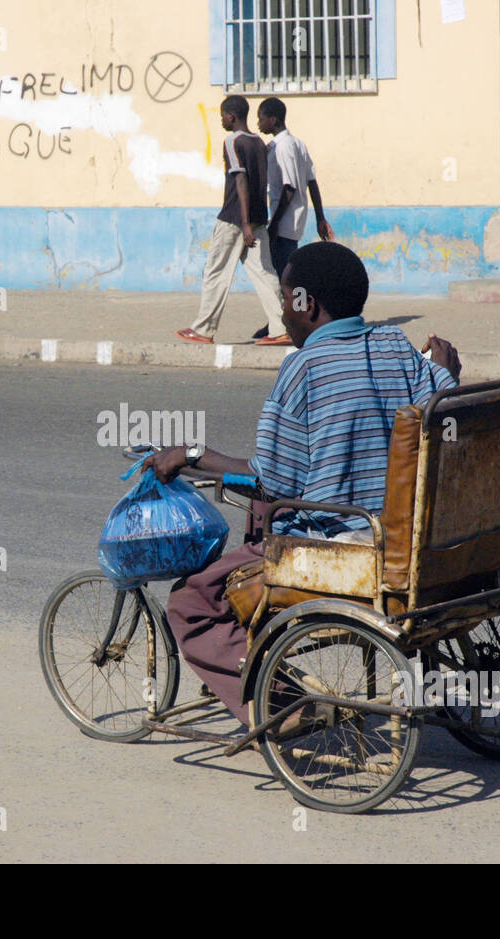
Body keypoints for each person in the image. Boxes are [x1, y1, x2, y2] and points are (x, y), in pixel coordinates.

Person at [148, 241, 461, 726]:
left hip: (340, 545)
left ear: (306, 304)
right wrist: (444, 370)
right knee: (261, 523)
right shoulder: (396, 346)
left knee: (192, 600)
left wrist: (193, 455)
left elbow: (270, 480)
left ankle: (281, 704)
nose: (281, 310)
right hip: (410, 538)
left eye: (285, 297)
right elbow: (440, 406)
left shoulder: (303, 369)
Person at [175, 95, 290, 347]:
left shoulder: (233, 141)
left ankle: (204, 329)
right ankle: (281, 327)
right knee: (264, 273)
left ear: (232, 116)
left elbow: (241, 180)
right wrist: (253, 222)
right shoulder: (259, 142)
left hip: (235, 219)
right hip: (258, 219)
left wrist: (244, 222)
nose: (222, 121)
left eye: (223, 116)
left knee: (216, 271)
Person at [253, 97, 334, 339]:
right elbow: (312, 182)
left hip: (285, 224)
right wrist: (320, 217)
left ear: (273, 119)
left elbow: (290, 188)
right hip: (293, 222)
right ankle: (281, 321)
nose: (258, 123)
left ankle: (293, 324)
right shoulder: (297, 144)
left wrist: (274, 224)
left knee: (284, 278)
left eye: (261, 118)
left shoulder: (285, 147)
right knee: (287, 276)